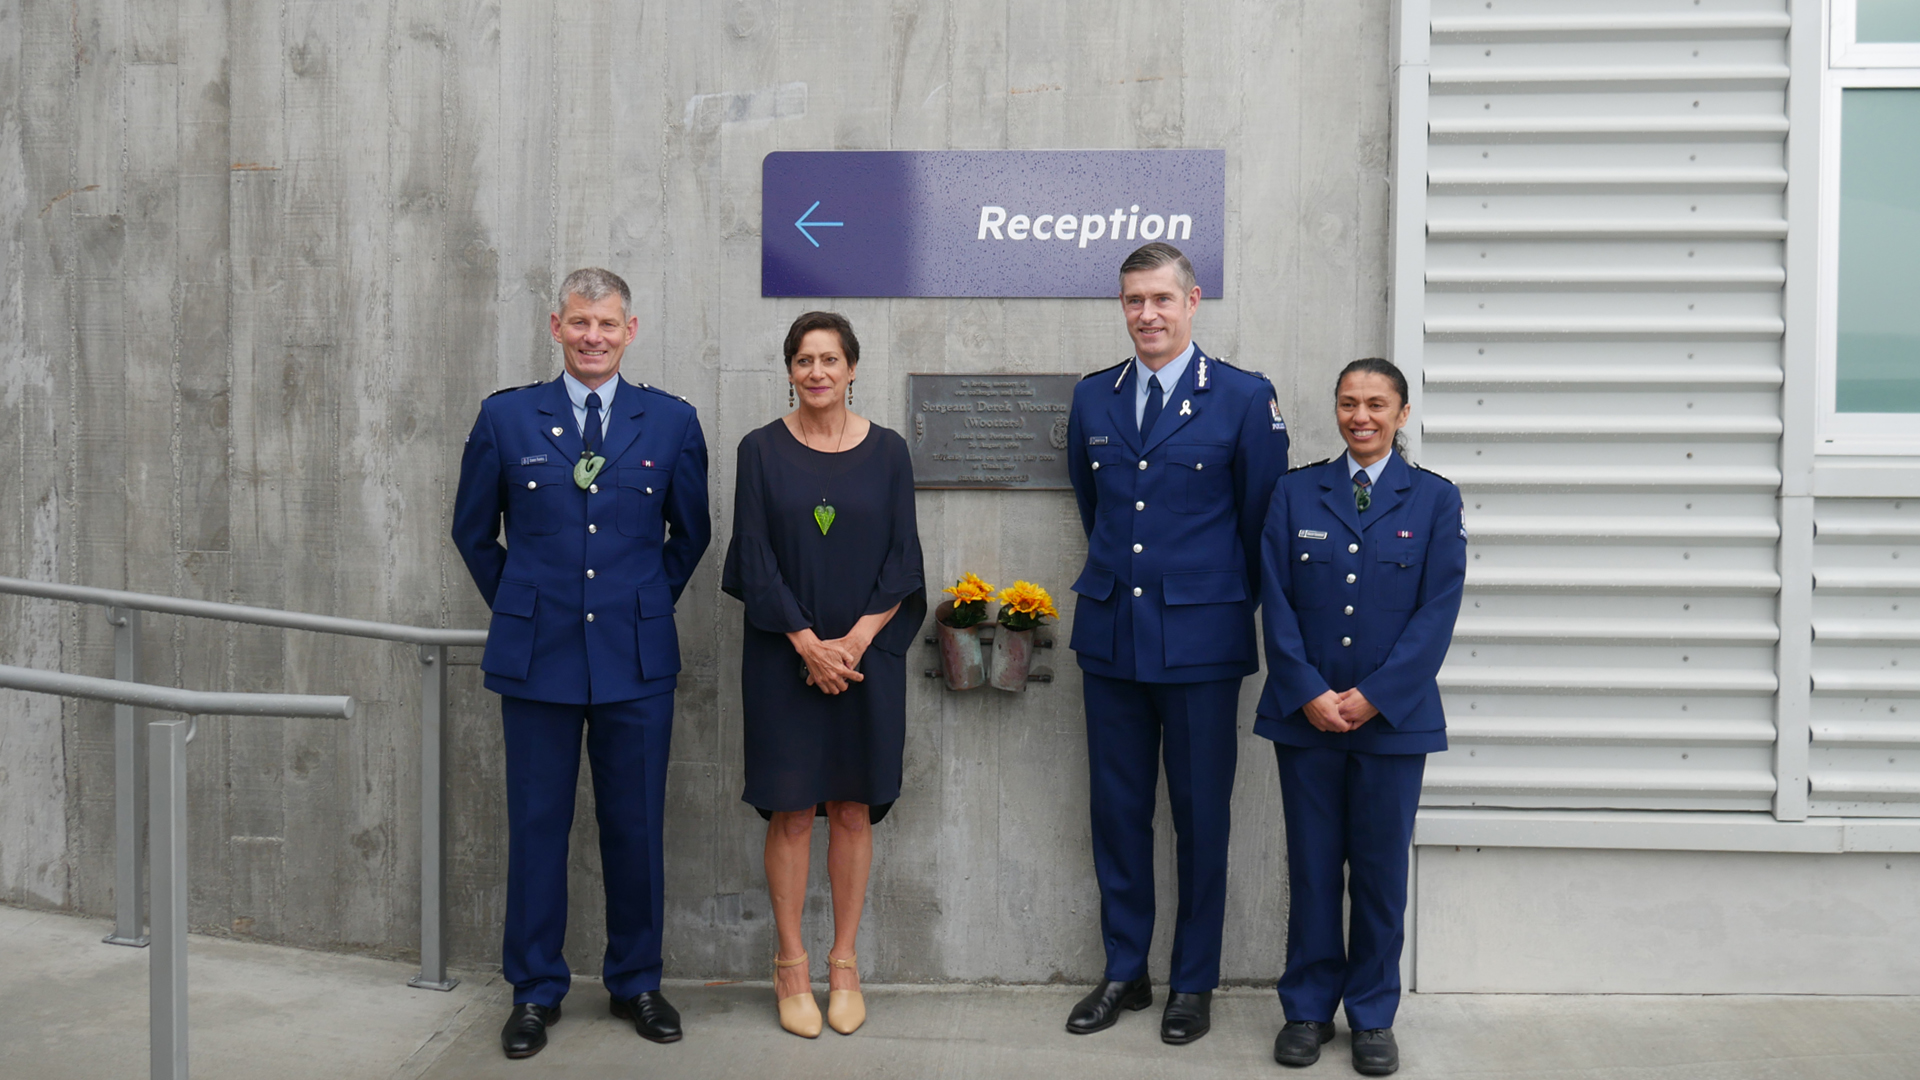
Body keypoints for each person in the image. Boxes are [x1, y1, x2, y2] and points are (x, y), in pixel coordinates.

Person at [451, 268, 711, 1059]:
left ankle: (637, 980)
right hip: (538, 661)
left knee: (634, 825)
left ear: (631, 330)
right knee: (536, 827)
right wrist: (525, 604)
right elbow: (472, 533)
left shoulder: (668, 422)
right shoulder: (505, 418)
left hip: (634, 661)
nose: (592, 337)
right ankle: (535, 989)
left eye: (607, 324)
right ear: (554, 326)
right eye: (578, 323)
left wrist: (640, 605)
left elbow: (690, 536)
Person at [1061, 243, 1290, 1045]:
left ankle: (1193, 982)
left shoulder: (1240, 397)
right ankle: (1126, 970)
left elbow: (1263, 528)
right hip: (1114, 641)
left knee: (1200, 819)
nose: (1147, 315)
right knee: (1118, 814)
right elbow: (1098, 511)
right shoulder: (1095, 399)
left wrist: (1209, 606)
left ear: (1193, 301)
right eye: (1133, 301)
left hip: (1201, 646)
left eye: (1161, 299)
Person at [1256, 358, 1466, 1077]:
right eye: (1349, 403)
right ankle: (1308, 1009)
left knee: (1378, 875)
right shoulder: (1294, 493)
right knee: (1313, 870)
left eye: (1377, 404)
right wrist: (1309, 689)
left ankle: (1373, 1014)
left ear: (1402, 413)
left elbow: (1438, 611)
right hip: (1305, 718)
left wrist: (1375, 695)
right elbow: (1276, 602)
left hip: (1394, 723)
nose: (1361, 417)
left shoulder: (1434, 500)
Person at [721, 311, 927, 1039]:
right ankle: (790, 965)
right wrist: (808, 644)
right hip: (786, 661)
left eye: (830, 359)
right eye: (804, 359)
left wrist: (857, 642)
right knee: (791, 811)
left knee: (849, 808)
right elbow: (752, 556)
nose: (817, 371)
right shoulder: (759, 450)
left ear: (851, 368)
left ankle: (844, 964)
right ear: (788, 369)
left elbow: (904, 558)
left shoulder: (891, 451)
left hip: (865, 665)